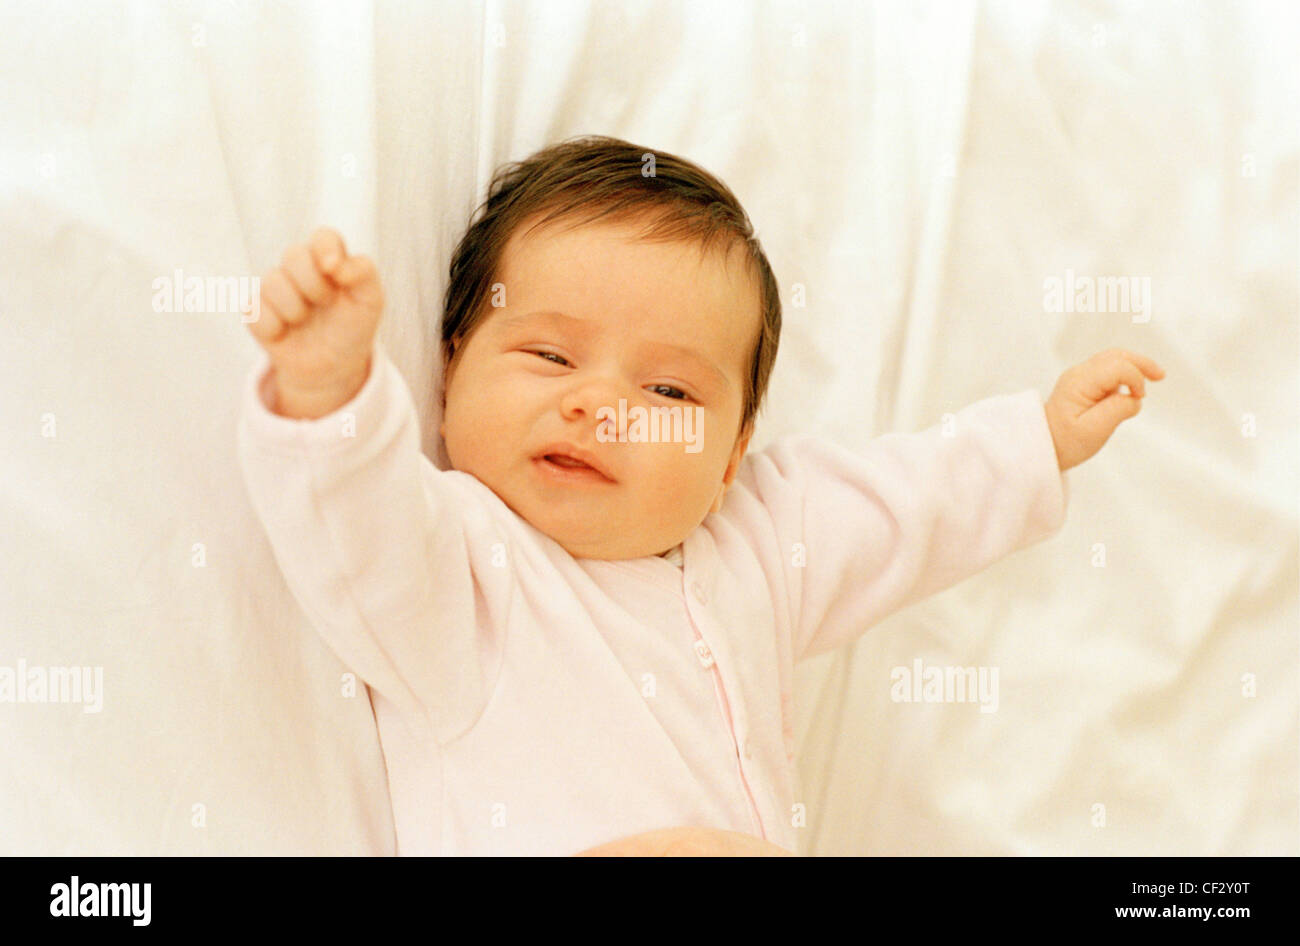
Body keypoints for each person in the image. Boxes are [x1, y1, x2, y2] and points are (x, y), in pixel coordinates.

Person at [237, 135, 1164, 855]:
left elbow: (904, 505)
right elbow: (357, 528)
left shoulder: (758, 539)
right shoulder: (466, 567)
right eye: (550, 356)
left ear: (732, 452)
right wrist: (330, 393)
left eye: (668, 392)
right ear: (449, 371)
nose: (598, 406)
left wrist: (1037, 439)